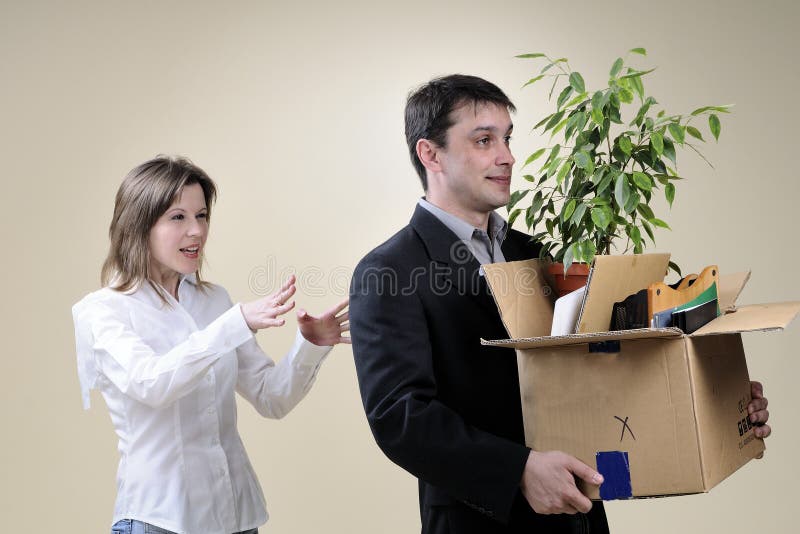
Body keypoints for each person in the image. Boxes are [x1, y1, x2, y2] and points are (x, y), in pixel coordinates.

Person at [348, 75, 772, 533]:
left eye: (507, 138)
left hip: (580, 517)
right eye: (484, 140)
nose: (507, 156)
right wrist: (518, 470)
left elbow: (594, 366)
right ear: (430, 153)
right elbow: (400, 418)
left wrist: (714, 401)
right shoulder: (387, 270)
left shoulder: (541, 254)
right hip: (479, 521)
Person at [72, 156, 350, 534]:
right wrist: (235, 324)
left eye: (201, 216)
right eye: (178, 217)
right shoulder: (104, 311)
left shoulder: (214, 301)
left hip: (236, 517)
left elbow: (272, 397)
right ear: (139, 227)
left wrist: (310, 346)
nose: (197, 231)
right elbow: (151, 383)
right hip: (160, 520)